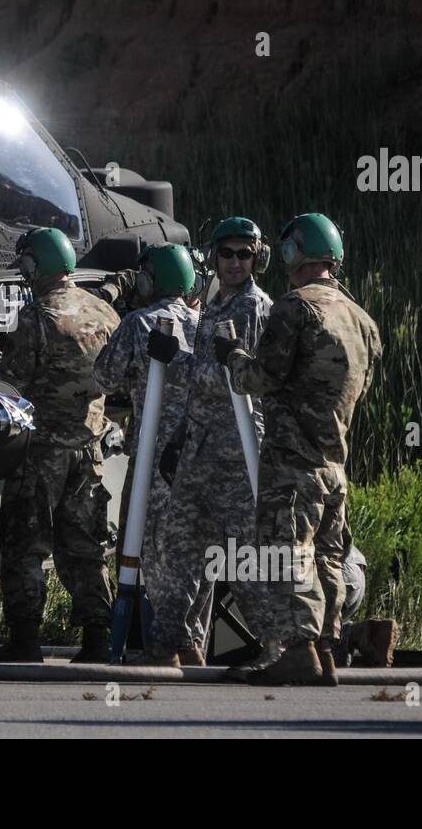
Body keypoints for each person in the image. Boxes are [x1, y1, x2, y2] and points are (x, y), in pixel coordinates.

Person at [217, 213, 383, 685]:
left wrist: (231, 355)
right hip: (335, 467)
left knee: (289, 554)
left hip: (293, 465)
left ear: (293, 254)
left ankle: (300, 650)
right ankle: (325, 650)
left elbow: (261, 378)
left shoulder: (293, 308)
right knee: (329, 558)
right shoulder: (362, 320)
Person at [0, 226, 121, 664]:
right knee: (85, 548)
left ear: (37, 265)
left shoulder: (37, 317)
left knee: (26, 545)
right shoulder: (106, 315)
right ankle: (98, 640)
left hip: (40, 456)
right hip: (90, 452)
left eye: (25, 264)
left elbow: (13, 386)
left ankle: (25, 640)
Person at [149, 217, 274, 668]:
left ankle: (285, 647)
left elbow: (225, 379)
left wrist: (175, 361)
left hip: (238, 452)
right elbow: (208, 376)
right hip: (202, 448)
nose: (236, 262)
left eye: (245, 254)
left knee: (246, 557)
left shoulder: (252, 306)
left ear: (257, 258)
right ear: (214, 258)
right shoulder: (217, 305)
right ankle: (170, 643)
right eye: (228, 254)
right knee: (179, 547)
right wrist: (182, 433)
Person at [91, 244, 201, 658]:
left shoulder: (139, 323)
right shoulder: (204, 323)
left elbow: (103, 375)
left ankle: (161, 644)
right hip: (196, 457)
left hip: (153, 457)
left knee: (146, 549)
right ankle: (189, 641)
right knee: (187, 550)